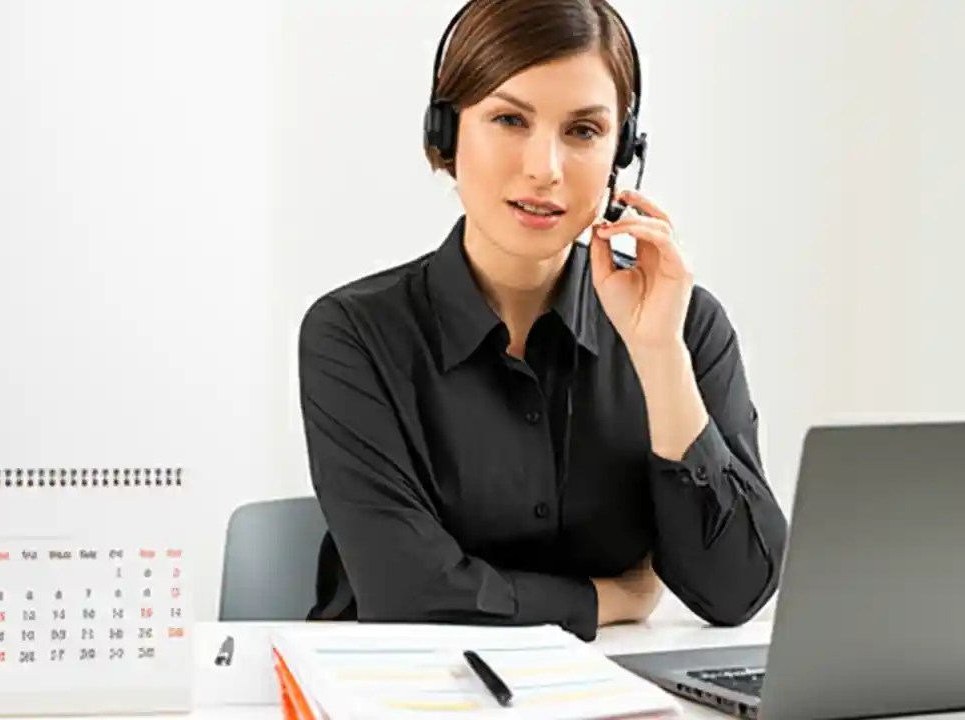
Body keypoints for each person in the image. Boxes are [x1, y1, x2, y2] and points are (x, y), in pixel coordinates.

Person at [298, 0, 788, 642]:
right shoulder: (353, 334)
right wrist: (607, 599)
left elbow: (737, 589)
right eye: (509, 119)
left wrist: (658, 355)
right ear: (445, 134)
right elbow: (409, 595)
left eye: (583, 131)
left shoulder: (683, 325)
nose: (545, 169)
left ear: (623, 151)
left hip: (609, 694)